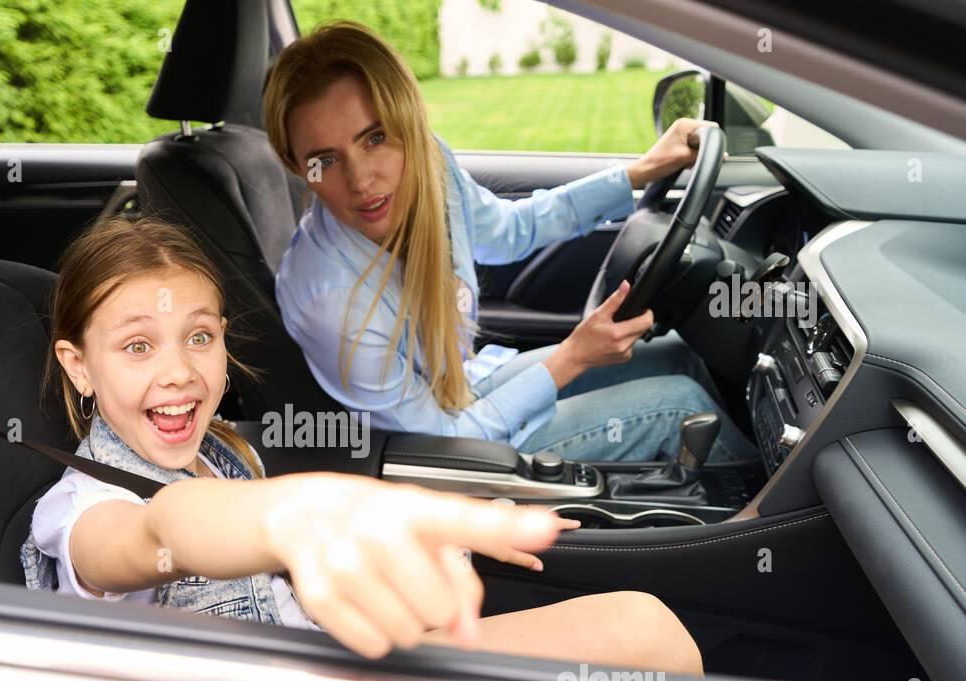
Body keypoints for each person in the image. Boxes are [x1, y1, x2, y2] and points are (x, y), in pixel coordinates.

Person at [20, 216, 702, 673]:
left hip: (328, 661)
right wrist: (293, 517)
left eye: (199, 337)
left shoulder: (224, 451)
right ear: (79, 366)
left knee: (644, 628)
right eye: (137, 346)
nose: (178, 371)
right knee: (645, 635)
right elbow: (157, 531)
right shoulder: (83, 512)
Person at [265, 20, 757, 463]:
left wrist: (638, 173)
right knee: (680, 407)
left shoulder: (429, 165)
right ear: (297, 168)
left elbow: (510, 231)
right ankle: (776, 524)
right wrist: (573, 357)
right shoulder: (329, 301)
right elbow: (445, 441)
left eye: (375, 138)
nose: (361, 180)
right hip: (433, 456)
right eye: (325, 160)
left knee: (677, 355)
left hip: (464, 387)